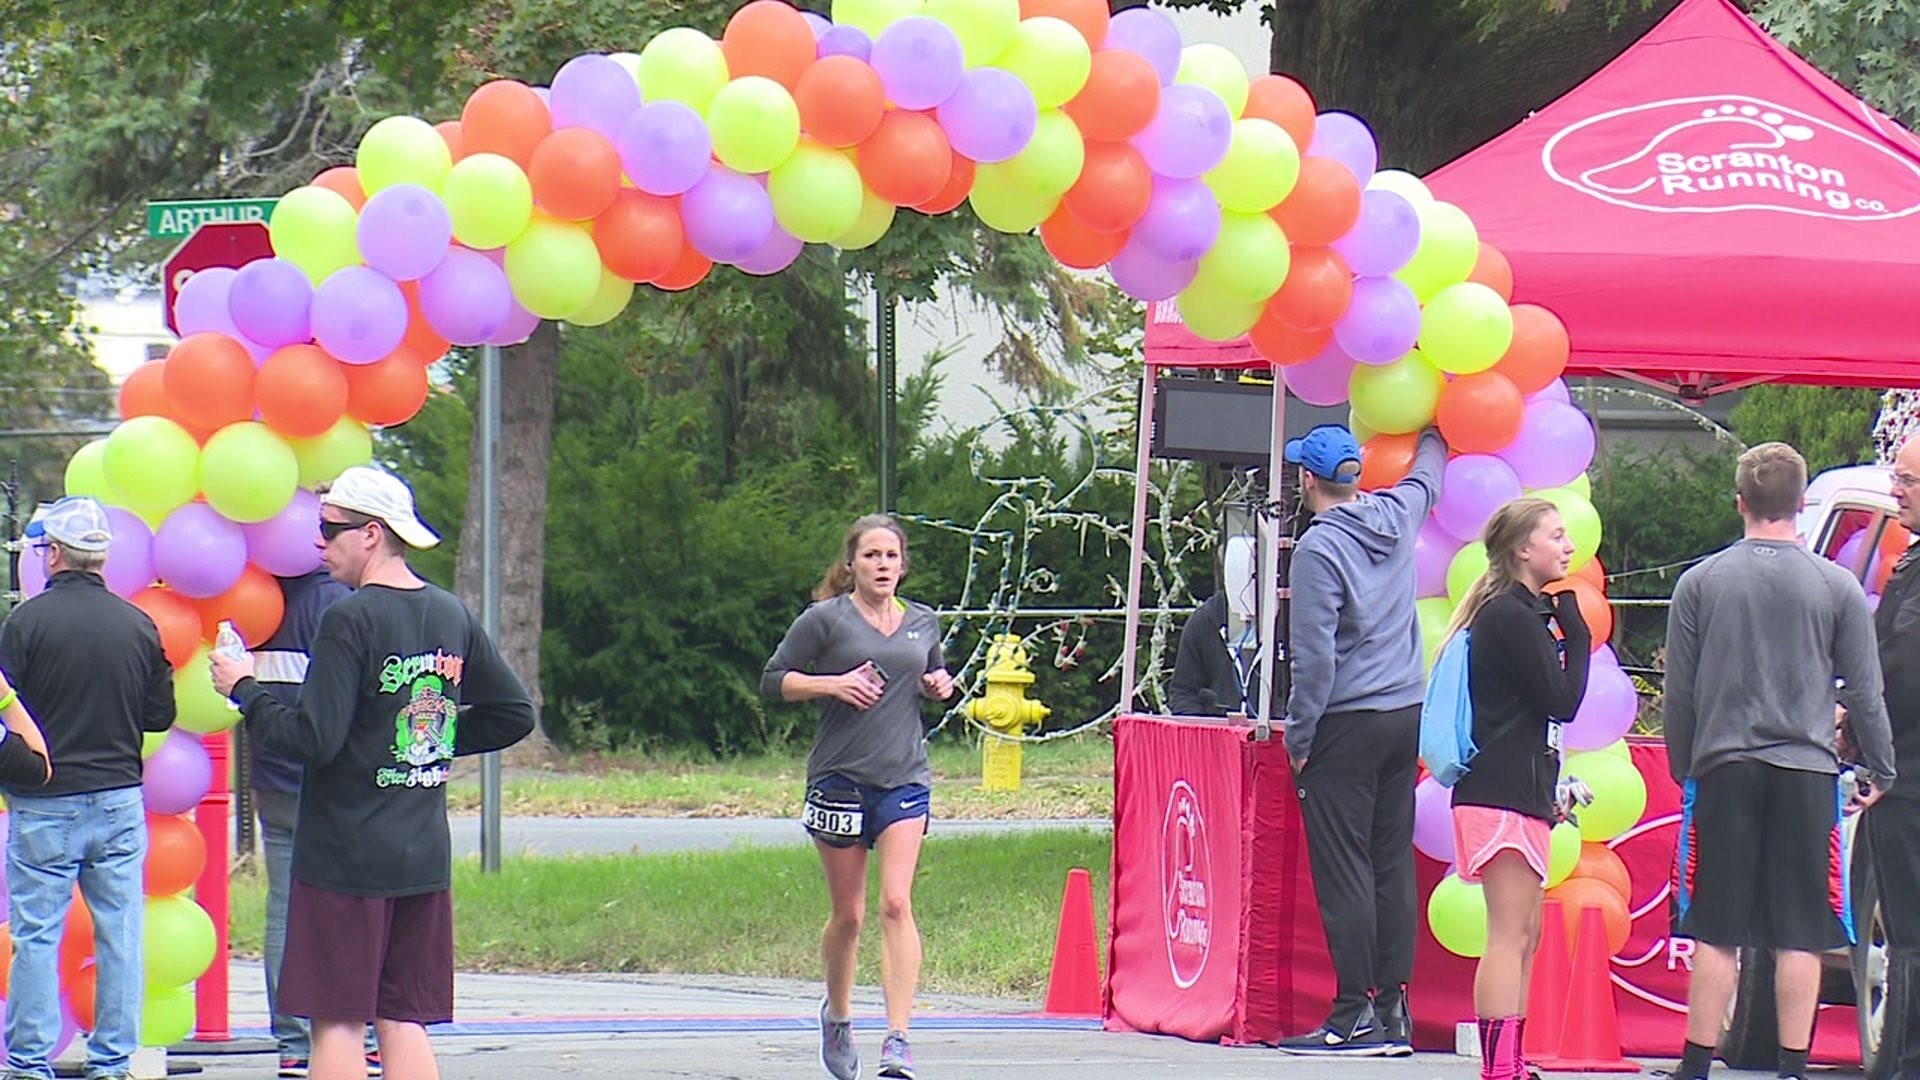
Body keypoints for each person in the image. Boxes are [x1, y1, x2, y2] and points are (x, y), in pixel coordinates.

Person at [209, 466, 535, 1080]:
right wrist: (425, 742)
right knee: (400, 1018)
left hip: (344, 857)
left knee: (337, 1020)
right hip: (420, 853)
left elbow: (313, 739)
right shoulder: (449, 613)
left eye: (330, 529)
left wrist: (245, 690)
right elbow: (515, 712)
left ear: (371, 534)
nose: (319, 544)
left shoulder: (350, 619)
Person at [1661, 442, 1895, 1080]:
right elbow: (1865, 691)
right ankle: (1793, 1066)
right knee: (1802, 929)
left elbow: (1679, 693)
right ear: (1798, 505)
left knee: (1716, 925)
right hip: (1807, 771)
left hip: (1725, 766)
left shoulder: (1700, 583)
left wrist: (1688, 766)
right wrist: (1881, 767)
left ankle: (1696, 1064)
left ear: (1741, 503)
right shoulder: (1836, 585)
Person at [761, 514, 956, 1080]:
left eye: (891, 557)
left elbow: (935, 677)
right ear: (851, 565)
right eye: (871, 556)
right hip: (839, 779)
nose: (882, 566)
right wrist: (833, 684)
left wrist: (940, 686)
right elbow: (774, 680)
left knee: (897, 902)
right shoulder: (825, 620)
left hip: (905, 778)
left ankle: (898, 1039)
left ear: (903, 564)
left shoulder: (923, 621)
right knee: (849, 914)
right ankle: (839, 1016)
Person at [1278, 423, 1445, 1057]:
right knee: (1390, 860)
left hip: (1346, 719)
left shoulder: (1318, 550)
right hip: (1405, 710)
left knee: (1344, 864)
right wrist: (1435, 432)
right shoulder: (1395, 513)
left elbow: (1314, 657)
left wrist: (1300, 735)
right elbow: (1427, 478)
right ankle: (1394, 1008)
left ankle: (1351, 1013)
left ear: (1306, 479)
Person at [0, 496, 175, 1080]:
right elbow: (159, 716)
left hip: (44, 802)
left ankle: (28, 1064)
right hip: (120, 798)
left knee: (36, 936)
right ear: (101, 557)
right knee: (121, 933)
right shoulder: (139, 624)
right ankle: (112, 1062)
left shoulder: (23, 624)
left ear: (52, 555)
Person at [1442, 498, 1588, 1080]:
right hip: (1498, 791)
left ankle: (1513, 1054)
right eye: (1556, 535)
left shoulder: (1522, 614)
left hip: (1524, 789)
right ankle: (1499, 1063)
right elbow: (1562, 700)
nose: (1568, 545)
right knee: (1506, 934)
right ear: (1522, 549)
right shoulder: (1508, 616)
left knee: (1526, 934)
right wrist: (1574, 637)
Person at [247, 566, 382, 1079]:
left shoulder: (261, 599)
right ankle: (358, 1036)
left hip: (272, 775)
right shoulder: (337, 604)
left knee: (284, 910)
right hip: (328, 783)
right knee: (348, 911)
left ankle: (292, 1042)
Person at [1862, 434, 1920, 1080]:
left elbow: (1903, 669)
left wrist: (1864, 733)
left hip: (1908, 779)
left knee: (1909, 939)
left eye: (1906, 480)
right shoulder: (1909, 562)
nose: (1894, 491)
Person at [1167, 590, 1254, 717]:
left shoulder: (1289, 622)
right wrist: (1201, 732)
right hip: (1215, 733)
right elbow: (1183, 693)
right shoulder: (1204, 620)